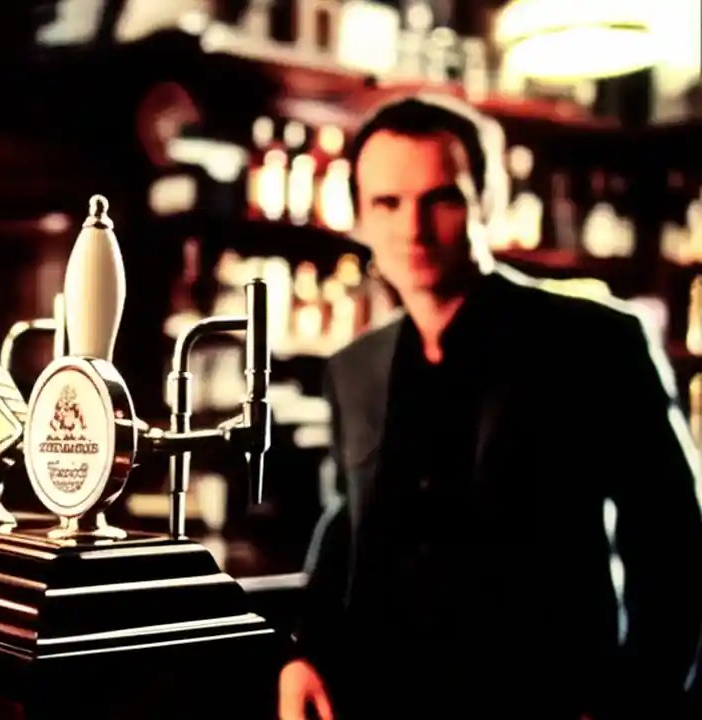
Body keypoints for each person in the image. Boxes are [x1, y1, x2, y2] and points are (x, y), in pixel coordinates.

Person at [277, 94, 702, 719]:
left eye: (440, 199)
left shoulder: (596, 340)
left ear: (488, 202)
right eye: (387, 204)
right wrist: (305, 652)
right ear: (360, 216)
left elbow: (673, 541)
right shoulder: (354, 366)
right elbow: (348, 522)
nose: (412, 229)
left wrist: (635, 702)